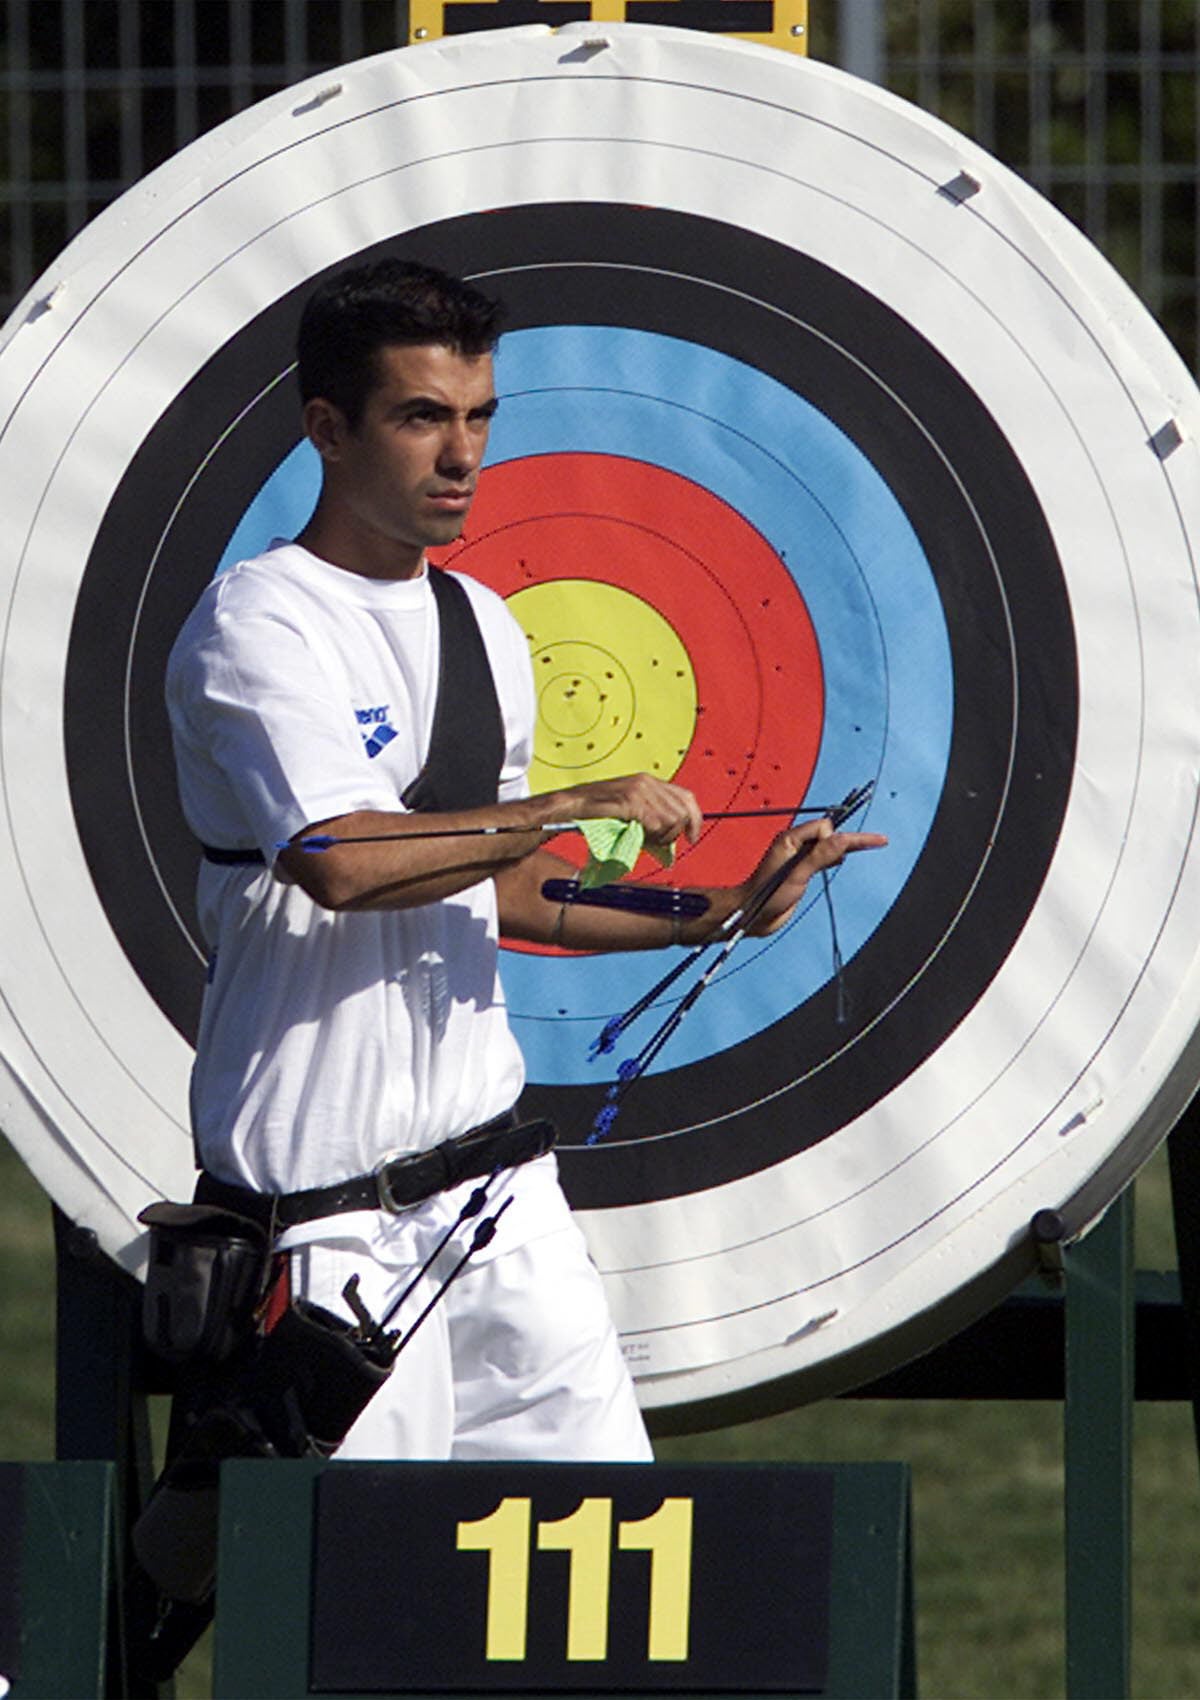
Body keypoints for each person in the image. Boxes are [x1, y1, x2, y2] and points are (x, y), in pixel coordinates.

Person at [165, 256, 886, 1463]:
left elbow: (503, 882)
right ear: (328, 430)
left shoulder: (483, 625)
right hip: (326, 1223)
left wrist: (723, 909)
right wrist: (573, 799)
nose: (463, 454)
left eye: (480, 416)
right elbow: (339, 860)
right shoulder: (260, 622)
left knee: (600, 1562)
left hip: (498, 1203)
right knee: (360, 1613)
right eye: (422, 416)